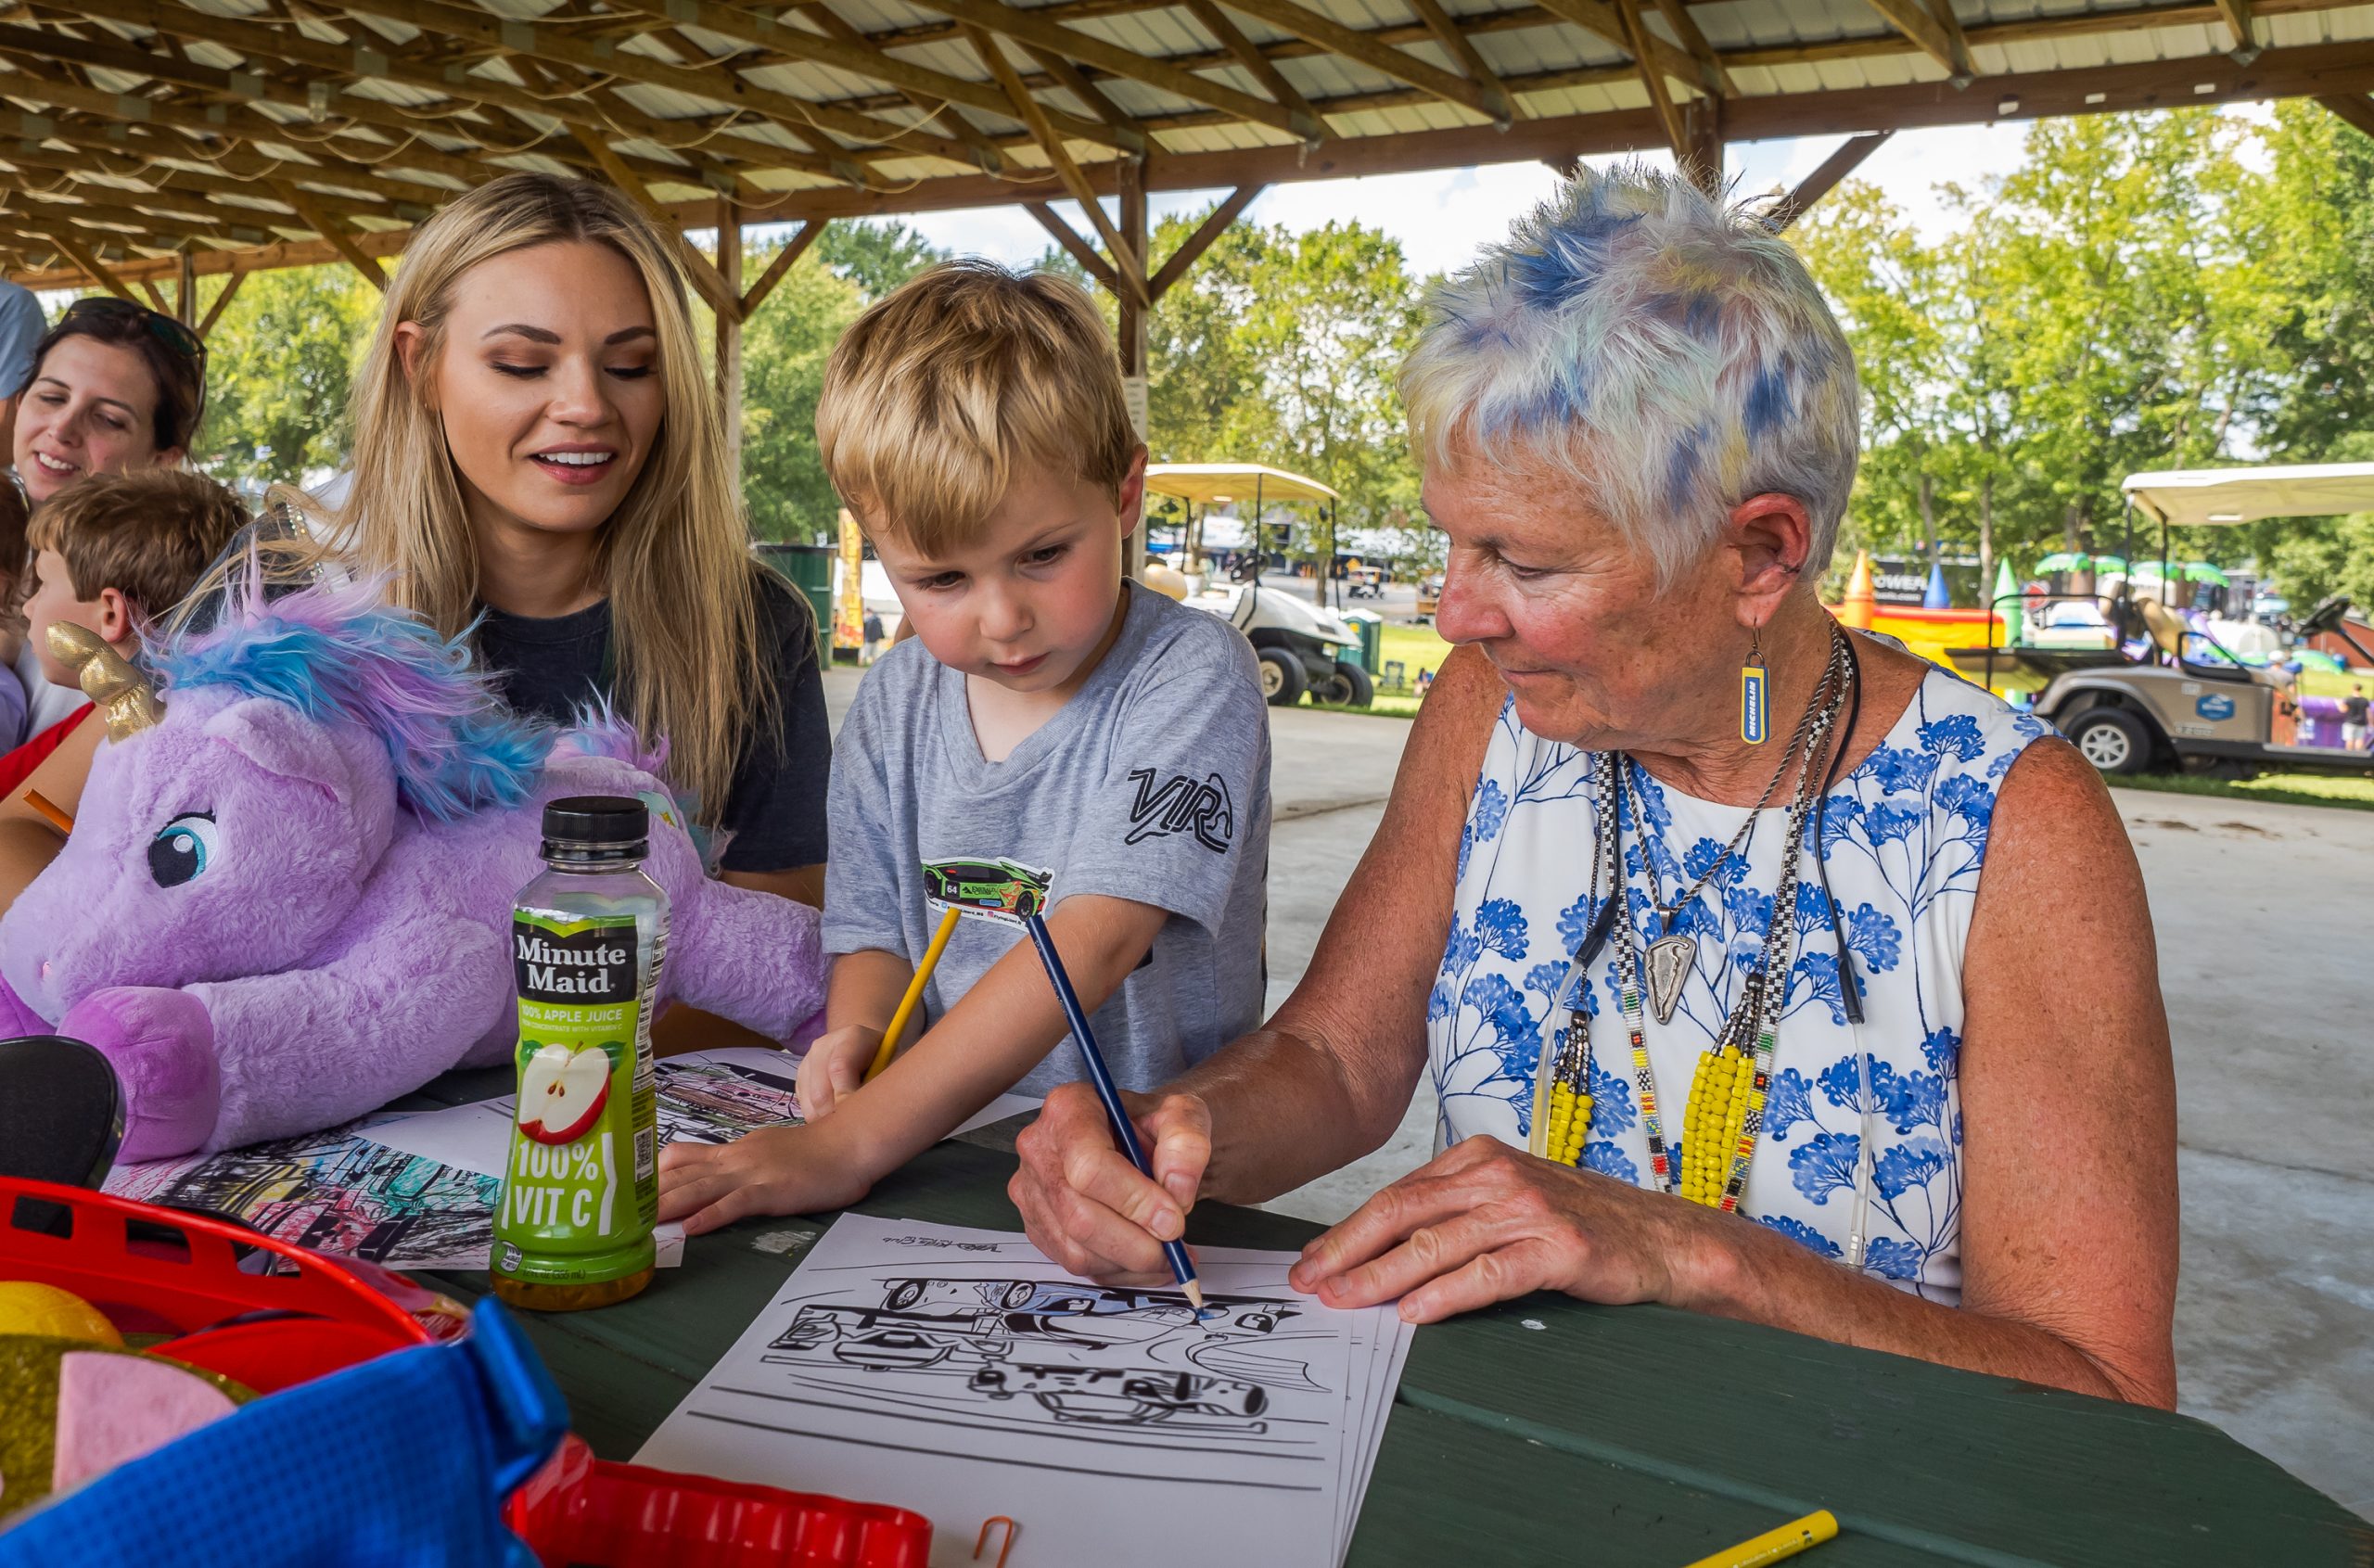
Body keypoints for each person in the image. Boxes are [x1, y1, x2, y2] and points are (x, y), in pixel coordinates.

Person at [1008, 166, 2179, 1407]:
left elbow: (2103, 1387)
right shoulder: (1491, 709)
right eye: (1452, 541)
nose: (1455, 612)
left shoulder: (2009, 823)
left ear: (1761, 552)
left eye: (1521, 560)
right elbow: (1340, 1056)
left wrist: (1695, 1253)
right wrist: (1171, 1134)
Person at [657, 261, 1273, 1234]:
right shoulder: (895, 698)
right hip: (943, 1166)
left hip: (1151, 1186)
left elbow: (1094, 940)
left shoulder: (1191, 673)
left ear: (1124, 494)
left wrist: (846, 1143)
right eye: (941, 578)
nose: (1002, 618)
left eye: (1042, 555)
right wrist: (862, 1031)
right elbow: (872, 931)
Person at [312, 172, 830, 916]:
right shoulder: (297, 594)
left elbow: (778, 930)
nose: (587, 405)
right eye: (523, 364)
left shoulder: (752, 625)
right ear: (418, 366)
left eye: (631, 366)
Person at [0, 299, 211, 893]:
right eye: (51, 396)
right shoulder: (10, 542)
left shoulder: (163, 628)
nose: (62, 429)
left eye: (108, 419)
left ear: (164, 460)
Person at [0, 469, 248, 799]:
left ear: (111, 615)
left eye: (43, 586)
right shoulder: (94, 719)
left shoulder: (124, 737)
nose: (28, 607)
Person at [2343, 684, 2368, 750]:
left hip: (2350, 722)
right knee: (2359, 739)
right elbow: (2368, 713)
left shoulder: (2349, 699)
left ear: (2353, 689)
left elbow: (2344, 709)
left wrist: (2338, 703)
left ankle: (2349, 754)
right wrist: (2371, 723)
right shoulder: (2364, 700)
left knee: (2350, 740)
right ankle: (2358, 755)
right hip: (2361, 722)